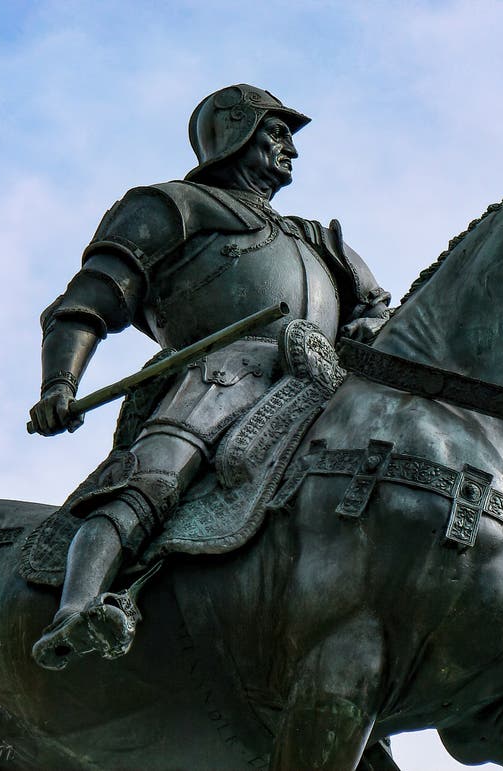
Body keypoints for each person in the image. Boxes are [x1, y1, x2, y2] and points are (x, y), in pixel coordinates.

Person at [29, 84, 390, 670]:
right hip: (221, 373)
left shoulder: (323, 241)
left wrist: (373, 330)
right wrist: (58, 386)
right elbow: (87, 302)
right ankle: (76, 611)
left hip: (323, 384)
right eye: (276, 133)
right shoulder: (172, 206)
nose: (290, 149)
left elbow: (377, 313)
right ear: (234, 133)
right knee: (152, 479)